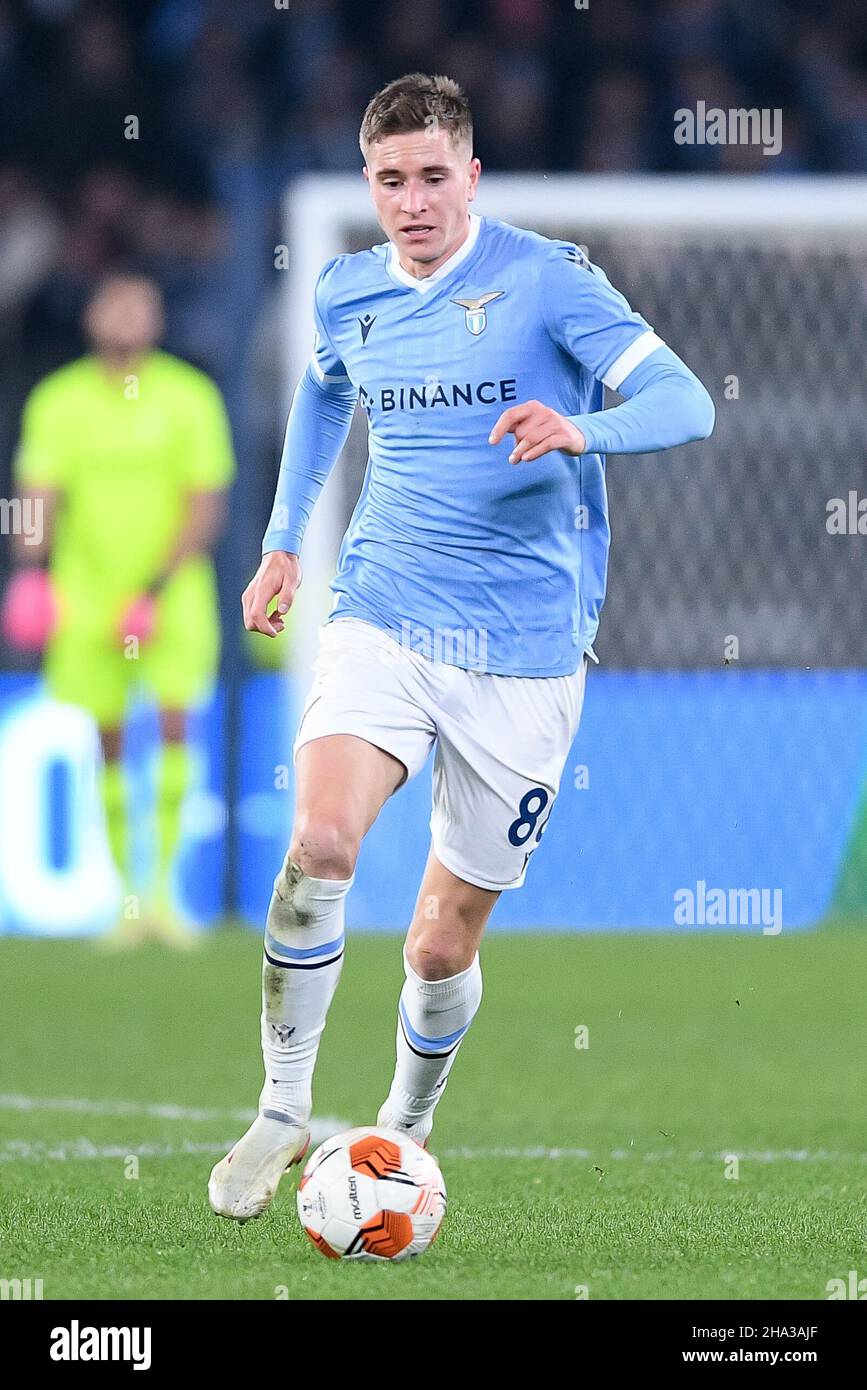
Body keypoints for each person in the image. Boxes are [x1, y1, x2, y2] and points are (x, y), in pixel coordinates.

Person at [209, 73, 714, 1222]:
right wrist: (287, 542)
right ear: (371, 184)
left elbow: (692, 404)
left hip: (527, 652)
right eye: (390, 179)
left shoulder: (549, 282)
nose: (412, 201)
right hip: (383, 611)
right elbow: (326, 396)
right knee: (322, 840)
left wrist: (581, 425)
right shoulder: (348, 291)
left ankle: (406, 1122)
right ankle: (284, 1105)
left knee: (439, 947)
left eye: (434, 176)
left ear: (471, 176)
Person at [5, 273, 235, 945]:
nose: (127, 317)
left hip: (170, 597)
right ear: (93, 316)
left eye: (140, 305)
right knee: (103, 739)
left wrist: (153, 591)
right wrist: (30, 574)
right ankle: (125, 901)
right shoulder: (60, 400)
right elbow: (36, 493)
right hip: (86, 597)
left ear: (157, 319)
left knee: (172, 727)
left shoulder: (188, 398)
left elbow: (205, 505)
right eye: (115, 304)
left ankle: (163, 894)